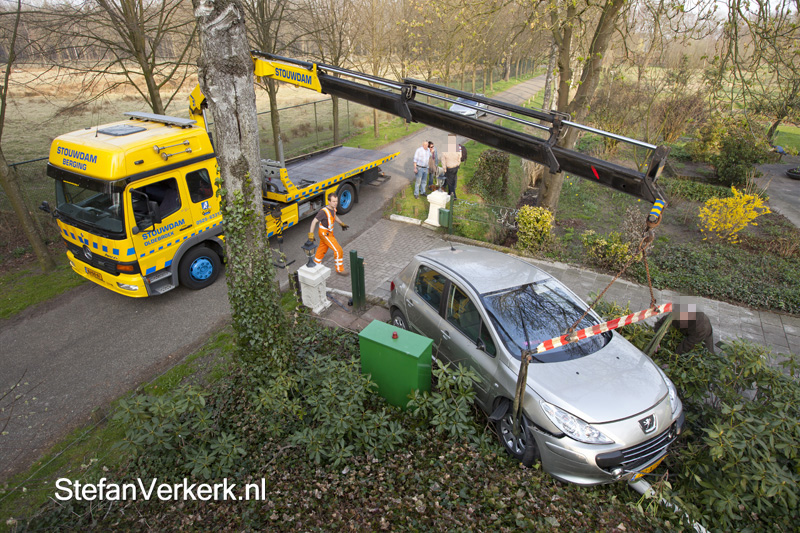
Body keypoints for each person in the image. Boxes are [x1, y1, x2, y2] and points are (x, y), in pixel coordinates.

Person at [308, 193, 349, 275]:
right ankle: (339, 269)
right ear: (329, 201)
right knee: (338, 250)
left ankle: (316, 264)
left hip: (328, 233)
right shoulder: (323, 212)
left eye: (336, 201)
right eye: (333, 201)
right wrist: (311, 234)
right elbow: (314, 221)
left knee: (322, 249)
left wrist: (341, 224)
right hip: (324, 234)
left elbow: (334, 216)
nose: (335, 203)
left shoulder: (333, 209)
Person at [441, 134, 462, 199]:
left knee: (450, 182)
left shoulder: (446, 147)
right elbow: (460, 156)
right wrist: (458, 163)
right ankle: (450, 194)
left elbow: (443, 159)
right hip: (456, 166)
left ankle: (454, 196)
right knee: (453, 180)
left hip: (449, 167)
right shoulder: (457, 147)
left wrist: (444, 168)